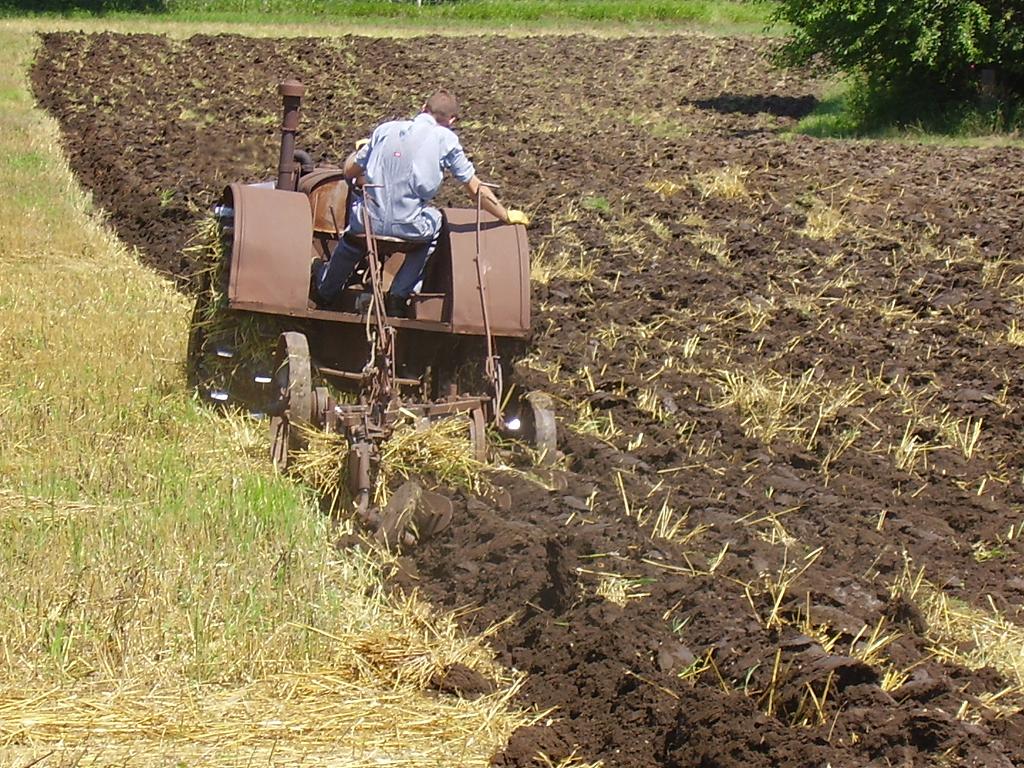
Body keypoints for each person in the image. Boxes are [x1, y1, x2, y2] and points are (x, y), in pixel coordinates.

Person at [313, 90, 530, 317]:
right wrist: (504, 215)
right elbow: (474, 188)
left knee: (351, 238)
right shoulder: (446, 140)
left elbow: (350, 171)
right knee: (435, 223)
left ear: (423, 106)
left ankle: (327, 290)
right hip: (410, 228)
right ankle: (399, 294)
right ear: (451, 120)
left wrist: (360, 151)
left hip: (368, 225)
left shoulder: (385, 130)